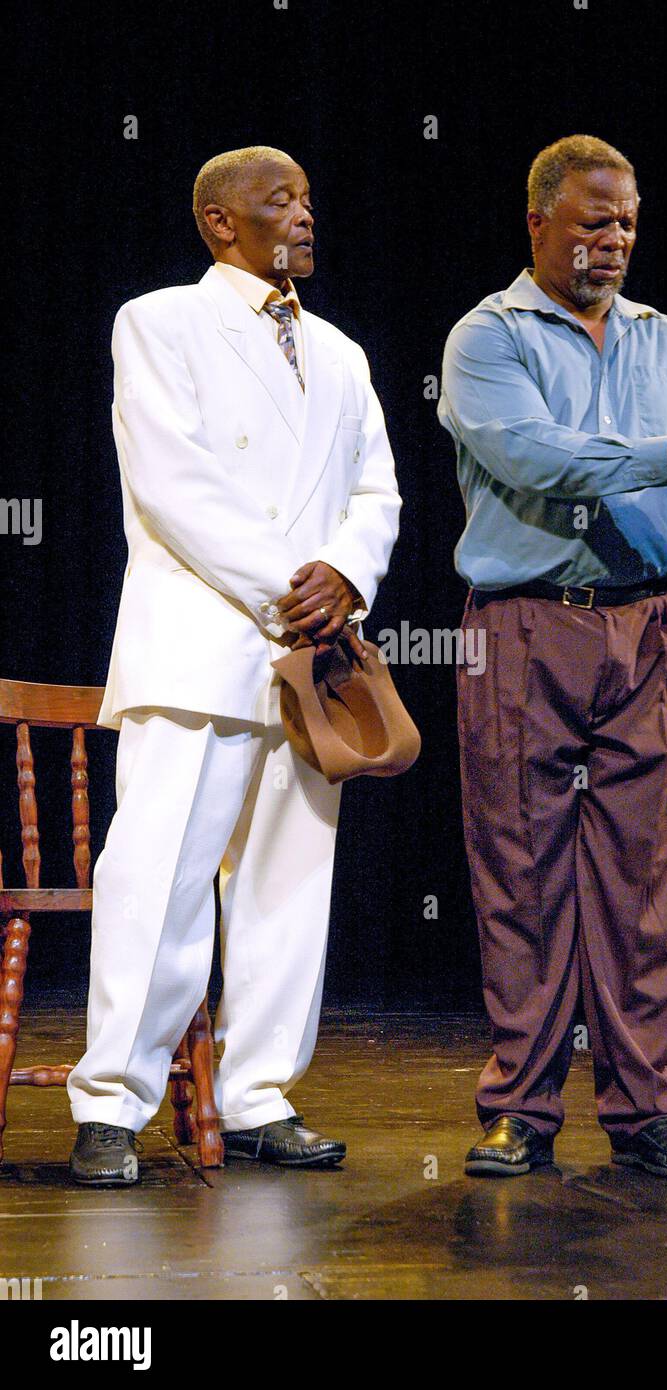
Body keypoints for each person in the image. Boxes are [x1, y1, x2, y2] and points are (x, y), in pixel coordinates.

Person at [438, 134, 667, 1179]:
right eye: (594, 220)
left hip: (650, 626)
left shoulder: (666, 341)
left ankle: (644, 1108)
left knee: (646, 881)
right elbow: (538, 459)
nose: (614, 239)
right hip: (528, 624)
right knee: (523, 874)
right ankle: (521, 1109)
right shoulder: (486, 338)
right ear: (538, 220)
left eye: (627, 221)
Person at [67, 145, 400, 1184]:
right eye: (279, 201)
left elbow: (376, 492)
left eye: (307, 197)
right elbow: (175, 483)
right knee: (157, 880)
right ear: (221, 222)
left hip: (309, 659)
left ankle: (256, 1094)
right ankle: (111, 1101)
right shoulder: (159, 323)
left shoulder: (342, 353)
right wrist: (290, 587)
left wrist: (344, 575)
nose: (303, 214)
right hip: (202, 644)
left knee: (288, 885)